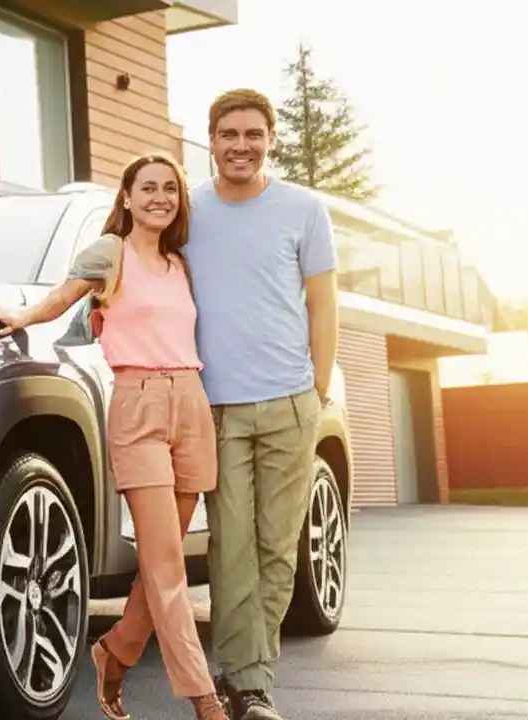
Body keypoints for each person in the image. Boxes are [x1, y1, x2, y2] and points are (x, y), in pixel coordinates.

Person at [0, 152, 228, 720]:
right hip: (138, 406)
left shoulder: (180, 265)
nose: (160, 197)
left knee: (162, 560)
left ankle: (117, 651)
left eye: (170, 188)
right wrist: (20, 316)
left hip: (192, 405)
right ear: (127, 198)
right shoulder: (110, 253)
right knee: (166, 563)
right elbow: (63, 296)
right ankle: (203, 699)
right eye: (148, 188)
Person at [183, 89, 340, 720]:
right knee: (231, 549)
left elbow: (323, 304)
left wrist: (317, 390)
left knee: (278, 549)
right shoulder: (187, 209)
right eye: (229, 134)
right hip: (217, 407)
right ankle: (248, 684)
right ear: (211, 140)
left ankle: (246, 675)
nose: (241, 146)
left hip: (290, 403)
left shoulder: (304, 209)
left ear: (271, 139)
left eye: (253, 134)